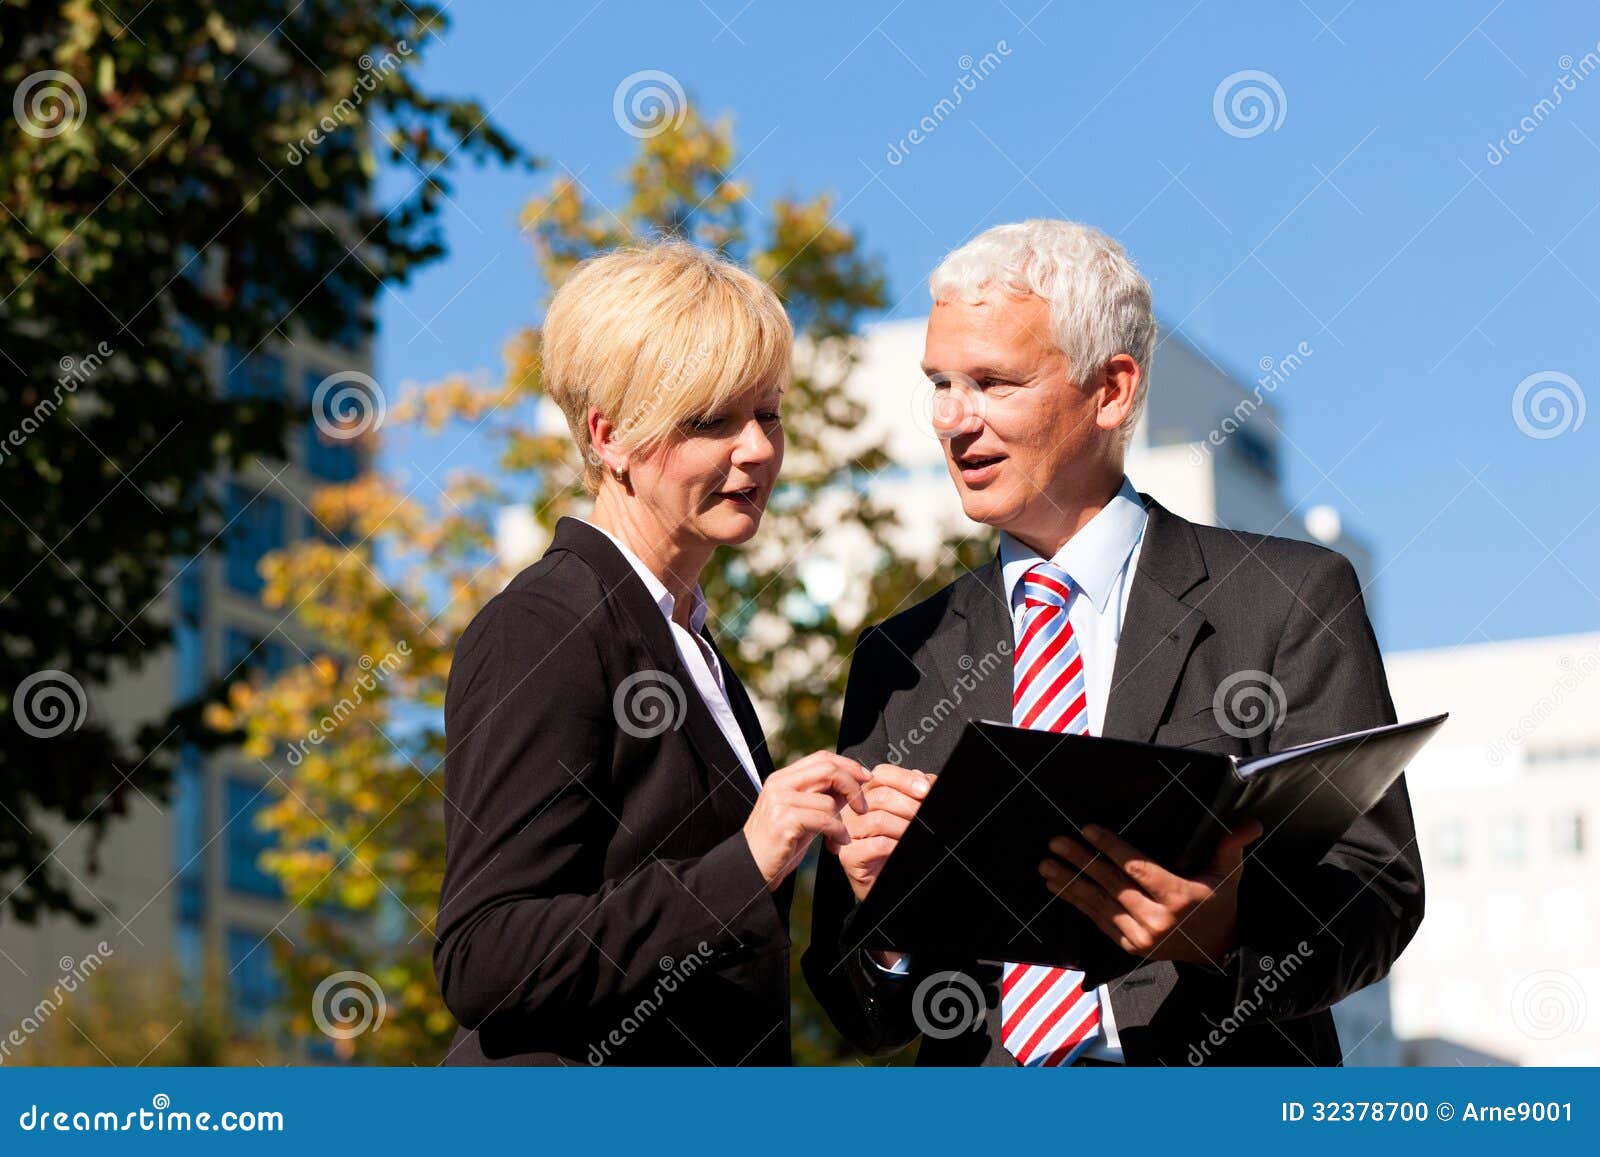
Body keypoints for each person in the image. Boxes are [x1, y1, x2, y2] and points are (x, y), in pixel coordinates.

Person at [804, 219, 1423, 1066]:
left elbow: (1377, 888)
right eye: (941, 382)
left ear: (1112, 390)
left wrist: (1225, 929)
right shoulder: (900, 659)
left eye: (992, 382)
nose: (953, 419)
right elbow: (859, 1004)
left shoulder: (1285, 600)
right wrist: (887, 921)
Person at [434, 241, 867, 1065]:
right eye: (711, 420)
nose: (756, 450)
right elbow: (482, 953)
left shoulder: (690, 644)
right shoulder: (545, 626)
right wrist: (747, 861)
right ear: (609, 436)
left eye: (768, 412)